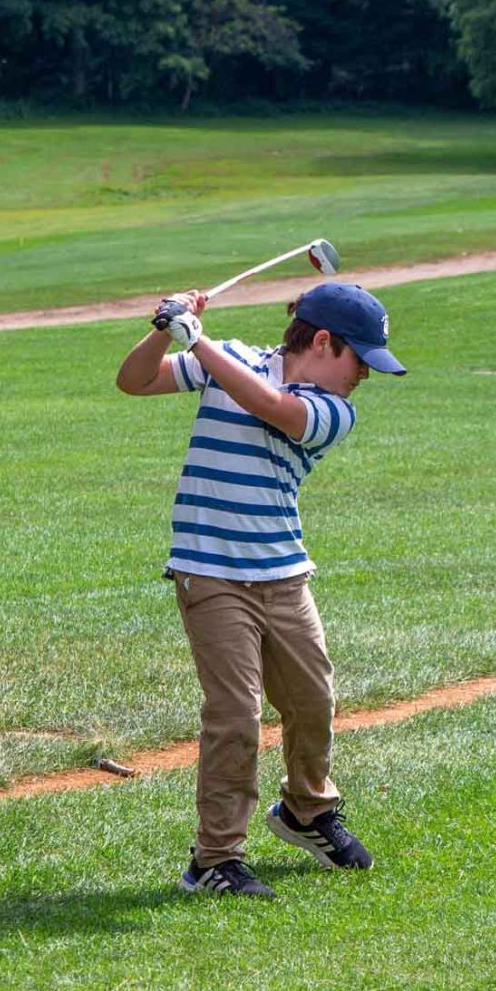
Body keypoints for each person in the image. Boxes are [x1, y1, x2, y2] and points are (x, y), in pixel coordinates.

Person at [116, 281, 406, 898]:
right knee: (236, 715)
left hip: (284, 575)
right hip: (210, 572)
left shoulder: (331, 412)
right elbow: (134, 380)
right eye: (361, 360)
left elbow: (274, 406)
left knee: (312, 701)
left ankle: (307, 811)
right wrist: (164, 328)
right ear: (324, 341)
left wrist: (202, 342)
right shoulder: (234, 360)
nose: (364, 376)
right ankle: (214, 860)